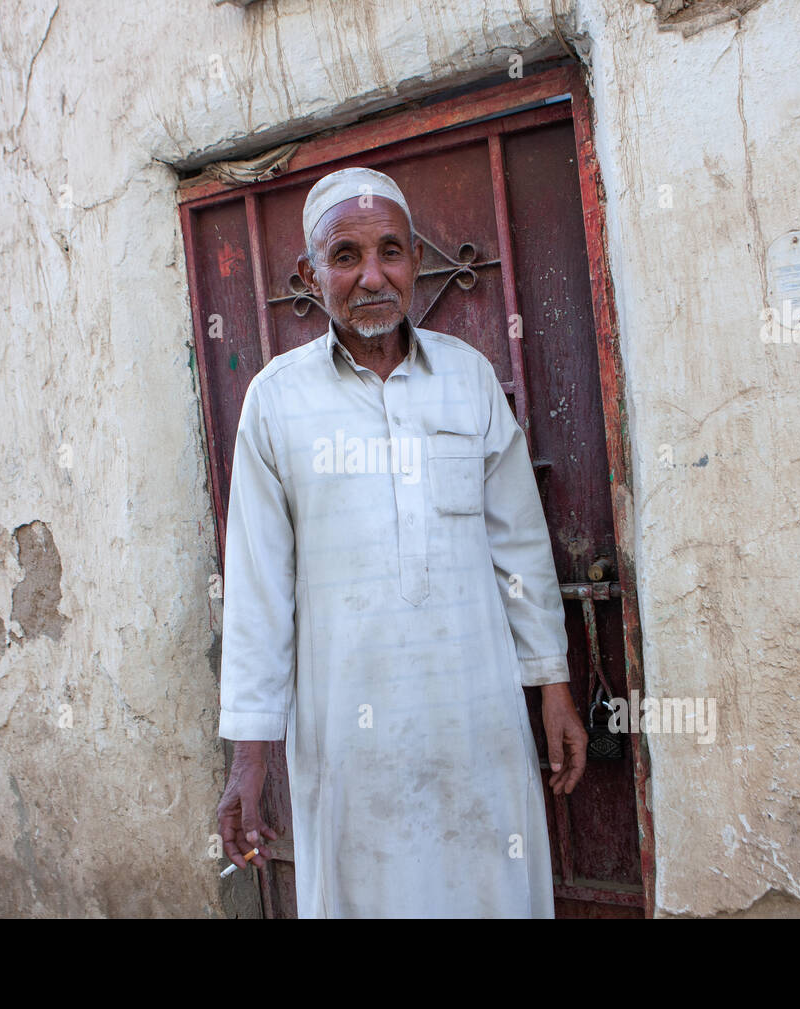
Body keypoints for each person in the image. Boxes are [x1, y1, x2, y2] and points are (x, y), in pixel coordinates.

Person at [215, 166, 587, 917]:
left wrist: (552, 684)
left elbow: (518, 546)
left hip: (476, 720)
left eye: (390, 250)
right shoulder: (276, 403)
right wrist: (248, 757)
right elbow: (258, 591)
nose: (372, 275)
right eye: (345, 255)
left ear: (416, 260)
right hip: (350, 741)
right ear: (308, 274)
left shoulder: (469, 380)